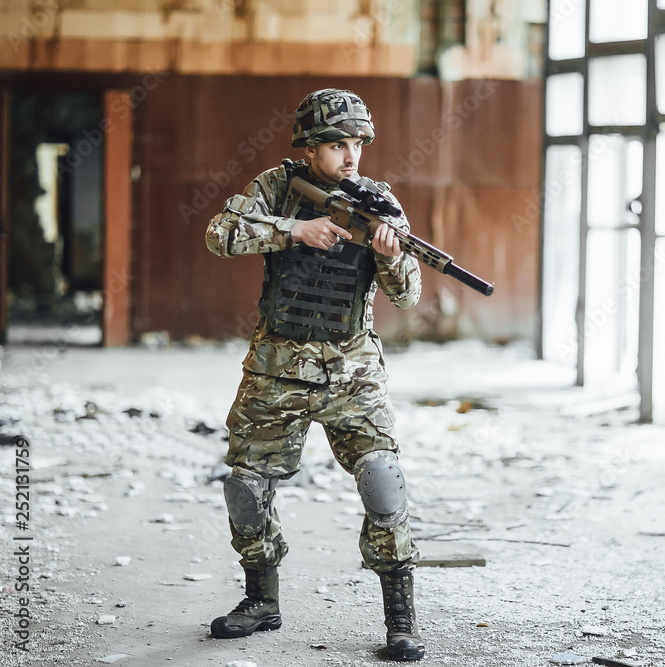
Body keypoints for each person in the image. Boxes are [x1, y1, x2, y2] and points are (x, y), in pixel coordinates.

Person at [204, 88, 425, 661]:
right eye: (336, 144)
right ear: (308, 149)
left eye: (357, 144)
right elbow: (219, 234)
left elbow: (407, 296)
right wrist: (291, 231)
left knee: (382, 480)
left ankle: (400, 618)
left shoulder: (380, 202)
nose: (351, 156)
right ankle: (261, 601)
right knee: (246, 488)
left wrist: (391, 256)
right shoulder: (276, 188)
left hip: (353, 372)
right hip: (276, 367)